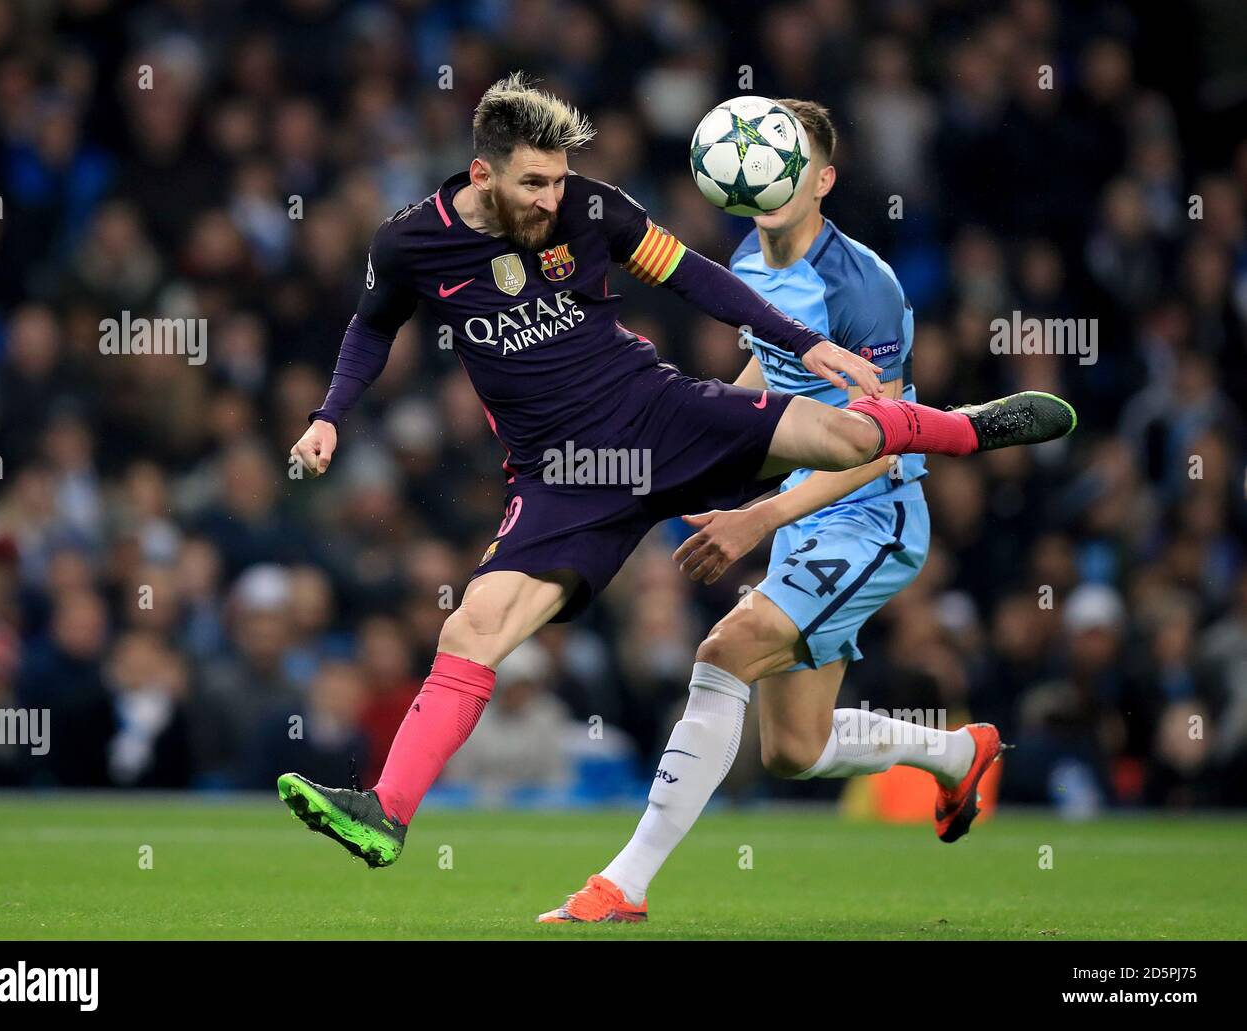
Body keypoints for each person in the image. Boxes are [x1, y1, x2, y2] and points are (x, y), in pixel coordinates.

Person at [275, 75, 1074, 870]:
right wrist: (329, 416)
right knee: (471, 627)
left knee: (840, 437)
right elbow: (370, 330)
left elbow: (694, 275)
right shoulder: (410, 242)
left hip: (654, 413)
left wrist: (802, 345)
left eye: (559, 178)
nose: (553, 197)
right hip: (563, 475)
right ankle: (385, 813)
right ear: (481, 174)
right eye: (534, 182)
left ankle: (964, 430)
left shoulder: (593, 207)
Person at [540, 100, 1010, 923]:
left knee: (724, 649)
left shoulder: (861, 284)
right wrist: (699, 454)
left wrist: (757, 516)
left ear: (820, 178)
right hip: (802, 511)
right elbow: (775, 392)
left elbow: (884, 441)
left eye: (792, 161)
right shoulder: (746, 265)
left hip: (871, 513)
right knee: (794, 748)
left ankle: (625, 881)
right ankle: (954, 751)